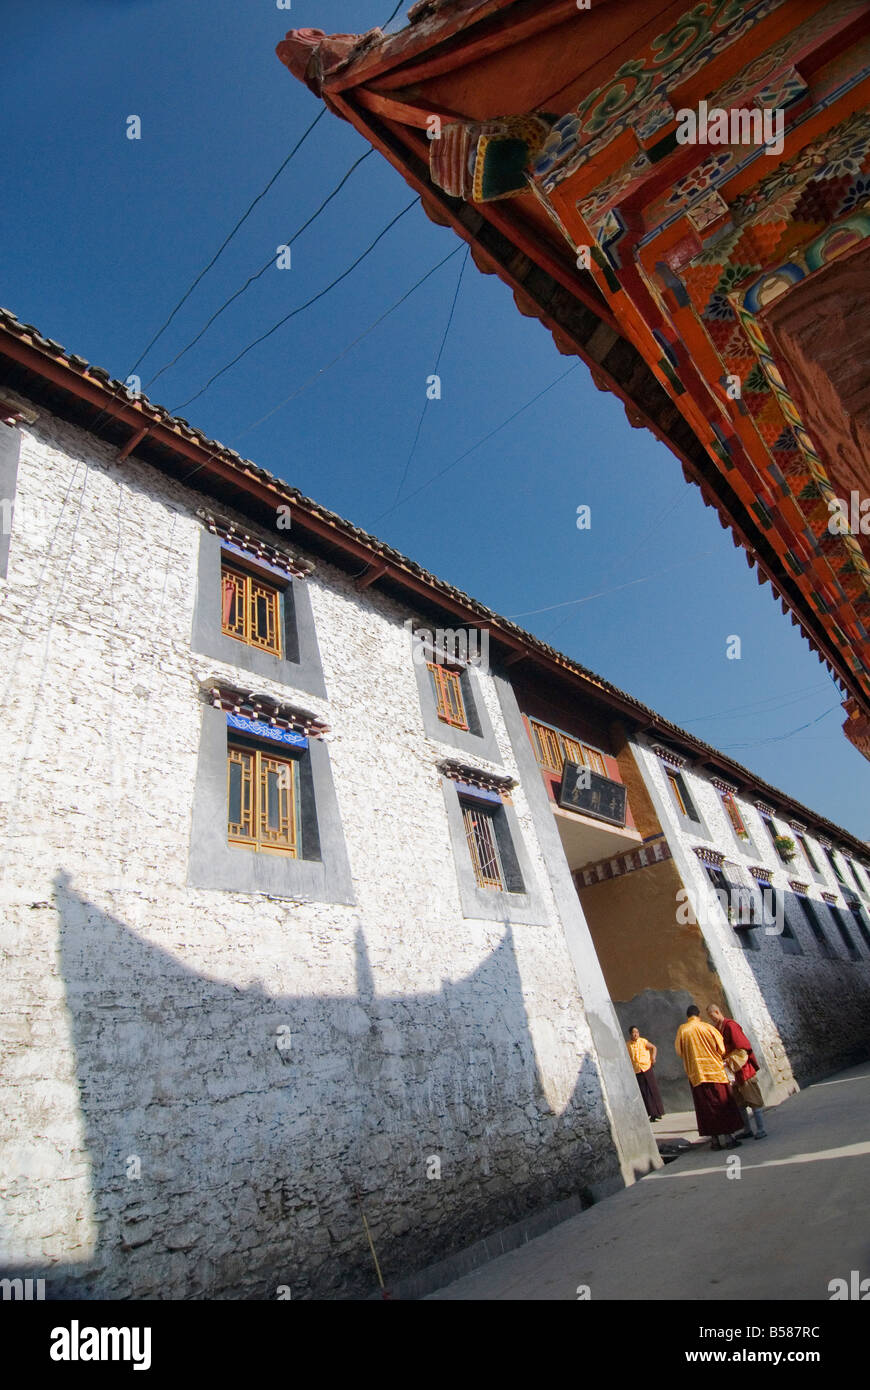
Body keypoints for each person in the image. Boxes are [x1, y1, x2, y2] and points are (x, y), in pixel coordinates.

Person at [675, 1005, 744, 1150]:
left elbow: (679, 1051)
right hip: (715, 1072)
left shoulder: (683, 1030)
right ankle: (729, 1138)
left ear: (688, 1016)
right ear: (698, 1015)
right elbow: (722, 1049)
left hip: (697, 1075)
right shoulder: (708, 1028)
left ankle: (715, 1141)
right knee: (723, 1104)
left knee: (706, 1108)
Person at [707, 1004, 767, 1139]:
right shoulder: (718, 1028)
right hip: (731, 1071)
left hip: (743, 1069)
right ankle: (747, 1129)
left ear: (717, 1012)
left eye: (712, 1016)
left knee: (753, 1099)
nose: (712, 1019)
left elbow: (742, 1048)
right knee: (739, 1102)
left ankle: (761, 1129)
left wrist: (730, 1061)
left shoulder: (731, 1026)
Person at [627, 1026, 665, 1122]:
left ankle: (658, 1112)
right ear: (630, 1034)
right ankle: (651, 1113)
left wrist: (653, 1057)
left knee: (652, 1090)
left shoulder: (643, 1041)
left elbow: (653, 1048)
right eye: (633, 1032)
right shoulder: (628, 1045)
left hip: (646, 1068)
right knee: (644, 1092)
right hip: (637, 1070)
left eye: (637, 1032)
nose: (635, 1034)